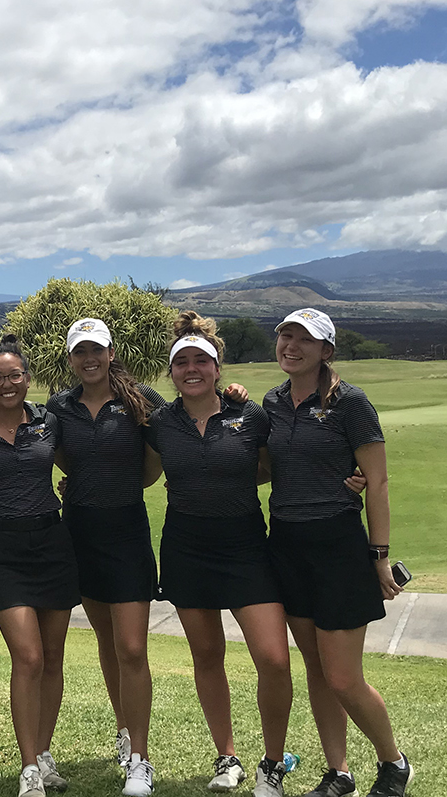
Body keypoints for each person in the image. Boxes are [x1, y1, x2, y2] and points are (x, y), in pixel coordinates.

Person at [144, 312, 295, 797]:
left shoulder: (249, 415)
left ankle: (272, 763)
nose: (192, 369)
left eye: (201, 361)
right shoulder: (161, 423)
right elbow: (143, 473)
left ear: (217, 367)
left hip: (247, 547)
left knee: (273, 659)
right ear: (171, 372)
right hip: (187, 548)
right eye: (181, 362)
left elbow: (274, 467)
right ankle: (226, 756)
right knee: (206, 655)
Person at [264, 309, 412, 797]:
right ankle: (339, 772)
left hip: (338, 545)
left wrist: (379, 555)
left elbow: (378, 481)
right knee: (316, 669)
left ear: (326, 350)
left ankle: (393, 761)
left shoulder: (351, 403)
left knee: (344, 677)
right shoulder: (273, 400)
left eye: (304, 339)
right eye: (286, 335)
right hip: (286, 542)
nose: (291, 345)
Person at [43, 318, 164, 797]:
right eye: (80, 351)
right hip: (80, 535)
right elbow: (47, 450)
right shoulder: (60, 407)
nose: (88, 358)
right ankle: (124, 730)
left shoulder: (142, 401)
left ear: (111, 353)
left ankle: (140, 758)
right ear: (71, 358)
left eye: (97, 350)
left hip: (128, 535)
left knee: (132, 647)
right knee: (109, 641)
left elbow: (153, 464)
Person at [0, 335, 79, 797]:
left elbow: (74, 462)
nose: (7, 384)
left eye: (14, 375)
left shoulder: (50, 422)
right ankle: (29, 766)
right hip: (3, 548)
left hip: (52, 541)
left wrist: (73, 485)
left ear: (27, 378)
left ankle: (43, 754)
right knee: (27, 657)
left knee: (52, 659)